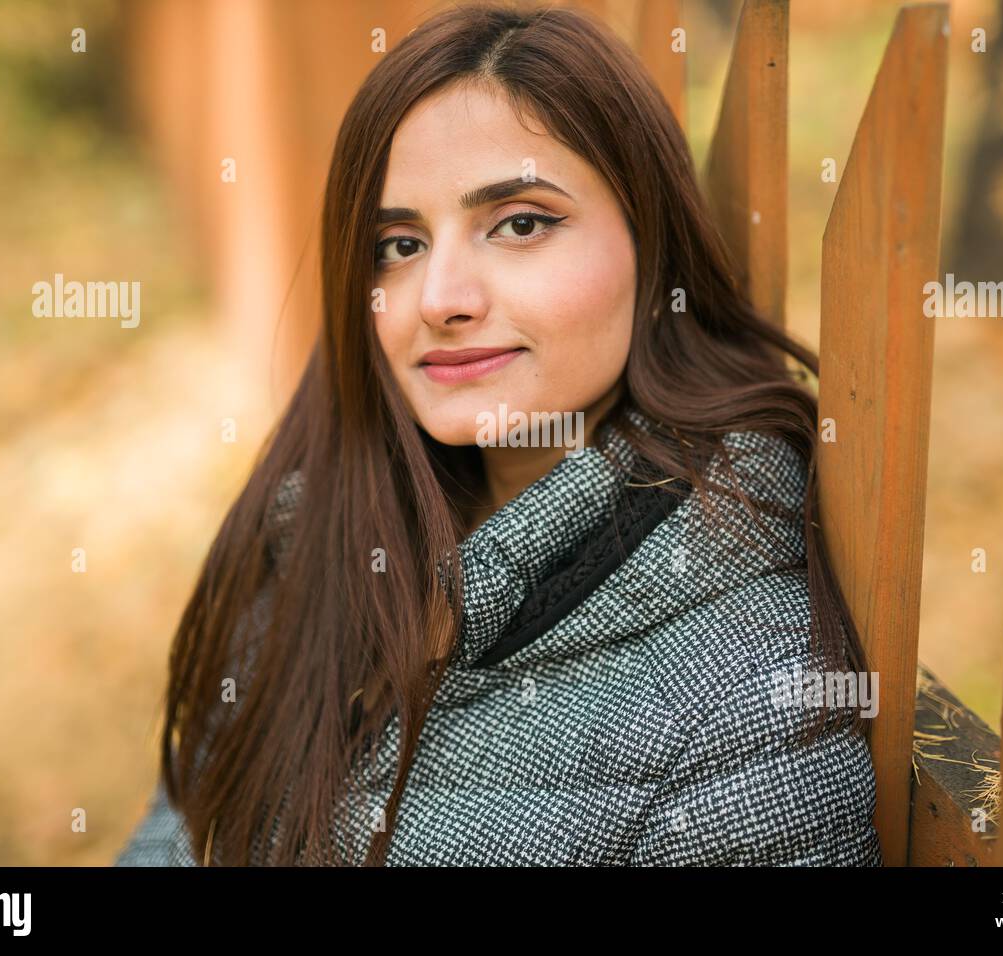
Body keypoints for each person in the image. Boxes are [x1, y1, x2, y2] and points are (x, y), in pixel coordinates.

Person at [115, 2, 881, 867]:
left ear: (650, 244)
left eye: (520, 223)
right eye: (398, 244)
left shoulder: (744, 696)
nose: (441, 297)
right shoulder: (321, 538)